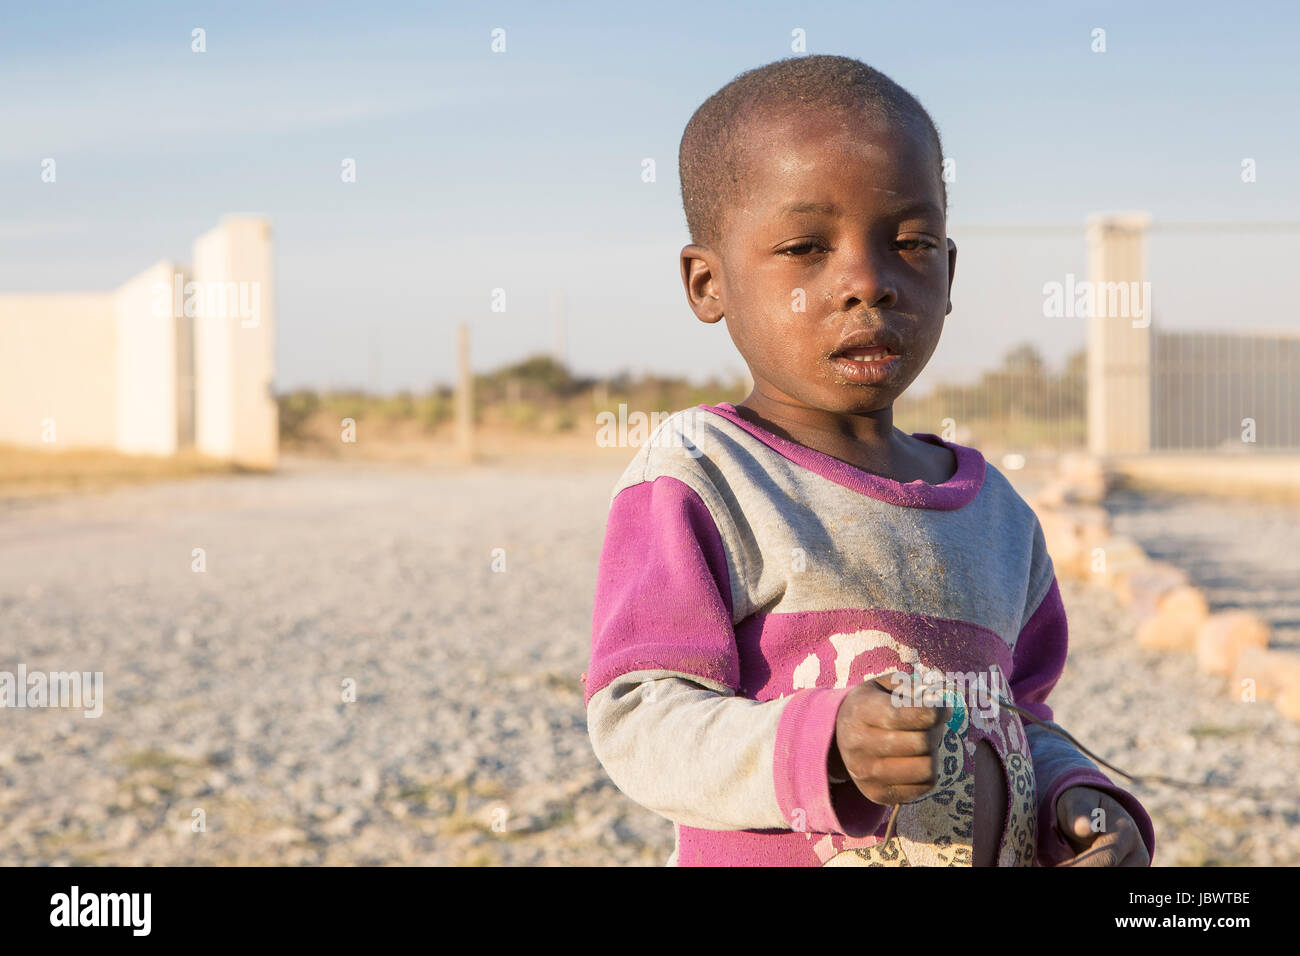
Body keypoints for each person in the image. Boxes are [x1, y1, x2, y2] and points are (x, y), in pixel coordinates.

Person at [584, 54, 1155, 867]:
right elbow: (640, 718)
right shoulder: (704, 476)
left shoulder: (995, 514)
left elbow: (1018, 715)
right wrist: (824, 741)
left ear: (948, 274)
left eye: (910, 242)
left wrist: (1077, 797)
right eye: (806, 246)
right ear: (708, 283)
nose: (866, 281)